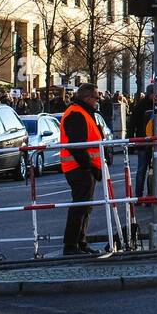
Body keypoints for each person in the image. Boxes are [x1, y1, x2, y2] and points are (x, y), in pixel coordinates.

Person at [59, 83, 105, 256]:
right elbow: (77, 145)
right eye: (96, 98)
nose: (97, 102)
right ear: (87, 98)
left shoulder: (82, 112)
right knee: (80, 206)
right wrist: (90, 166)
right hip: (79, 167)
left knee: (85, 207)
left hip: (82, 167)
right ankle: (71, 245)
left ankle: (80, 242)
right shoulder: (77, 113)